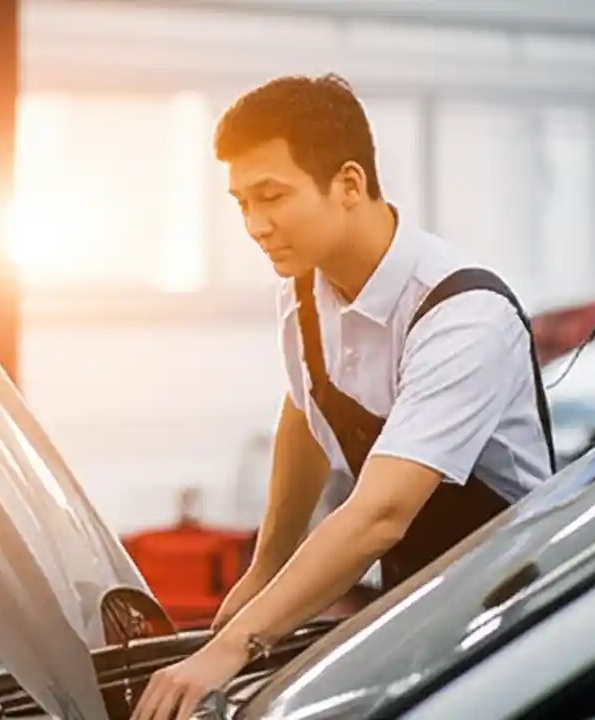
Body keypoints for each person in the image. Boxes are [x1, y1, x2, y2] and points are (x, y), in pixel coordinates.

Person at [132, 74, 556, 720]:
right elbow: (305, 408)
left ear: (350, 184)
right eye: (241, 202)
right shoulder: (303, 291)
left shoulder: (461, 315)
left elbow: (383, 512)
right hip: (415, 600)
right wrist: (266, 568)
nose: (254, 225)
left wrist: (233, 648)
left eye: (271, 196)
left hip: (521, 613)